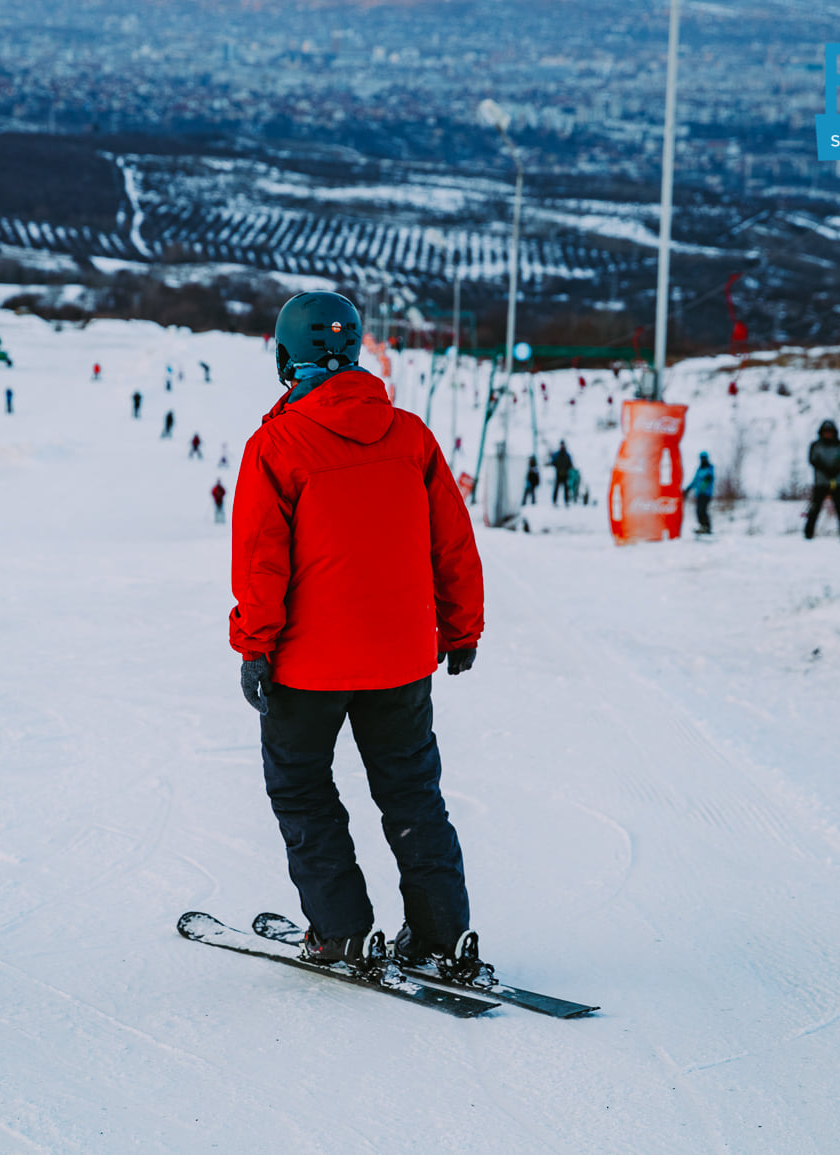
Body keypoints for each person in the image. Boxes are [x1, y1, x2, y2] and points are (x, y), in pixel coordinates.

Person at [230, 290, 487, 976]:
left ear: (286, 357)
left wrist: (254, 646)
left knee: (303, 790)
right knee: (412, 794)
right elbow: (453, 543)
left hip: (305, 667)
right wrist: (461, 627)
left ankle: (341, 932)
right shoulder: (410, 435)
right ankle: (441, 935)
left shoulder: (277, 444)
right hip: (401, 662)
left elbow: (260, 561)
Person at [805, 419, 840, 542]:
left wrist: (835, 470)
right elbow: (813, 460)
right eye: (826, 432)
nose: (828, 434)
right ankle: (808, 534)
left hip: (836, 481)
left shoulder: (839, 445)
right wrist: (825, 469)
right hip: (820, 482)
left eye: (830, 432)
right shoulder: (816, 445)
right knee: (815, 507)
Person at [684, 450, 716, 535]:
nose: (703, 459)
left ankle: (707, 527)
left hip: (706, 494)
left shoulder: (710, 468)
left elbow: (709, 478)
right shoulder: (699, 469)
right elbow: (695, 481)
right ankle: (702, 526)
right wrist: (688, 489)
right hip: (699, 494)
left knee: (702, 510)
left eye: (704, 458)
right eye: (702, 458)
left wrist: (703, 487)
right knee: (698, 511)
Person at [550, 441, 575, 506]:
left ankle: (566, 501)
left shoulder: (567, 455)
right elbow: (553, 462)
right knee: (557, 488)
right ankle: (554, 501)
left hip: (565, 474)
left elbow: (570, 464)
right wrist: (557, 466)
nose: (562, 446)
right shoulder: (557, 454)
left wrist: (568, 468)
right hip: (558, 474)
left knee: (566, 488)